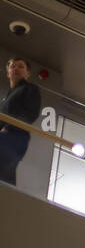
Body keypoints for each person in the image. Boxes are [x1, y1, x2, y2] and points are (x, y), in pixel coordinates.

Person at [0, 58, 42, 186]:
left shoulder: (31, 89)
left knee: (5, 170)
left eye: (20, 66)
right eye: (13, 67)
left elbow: (31, 113)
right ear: (8, 73)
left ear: (27, 73)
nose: (16, 69)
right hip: (5, 136)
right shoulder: (6, 98)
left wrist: (8, 128)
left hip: (14, 135)